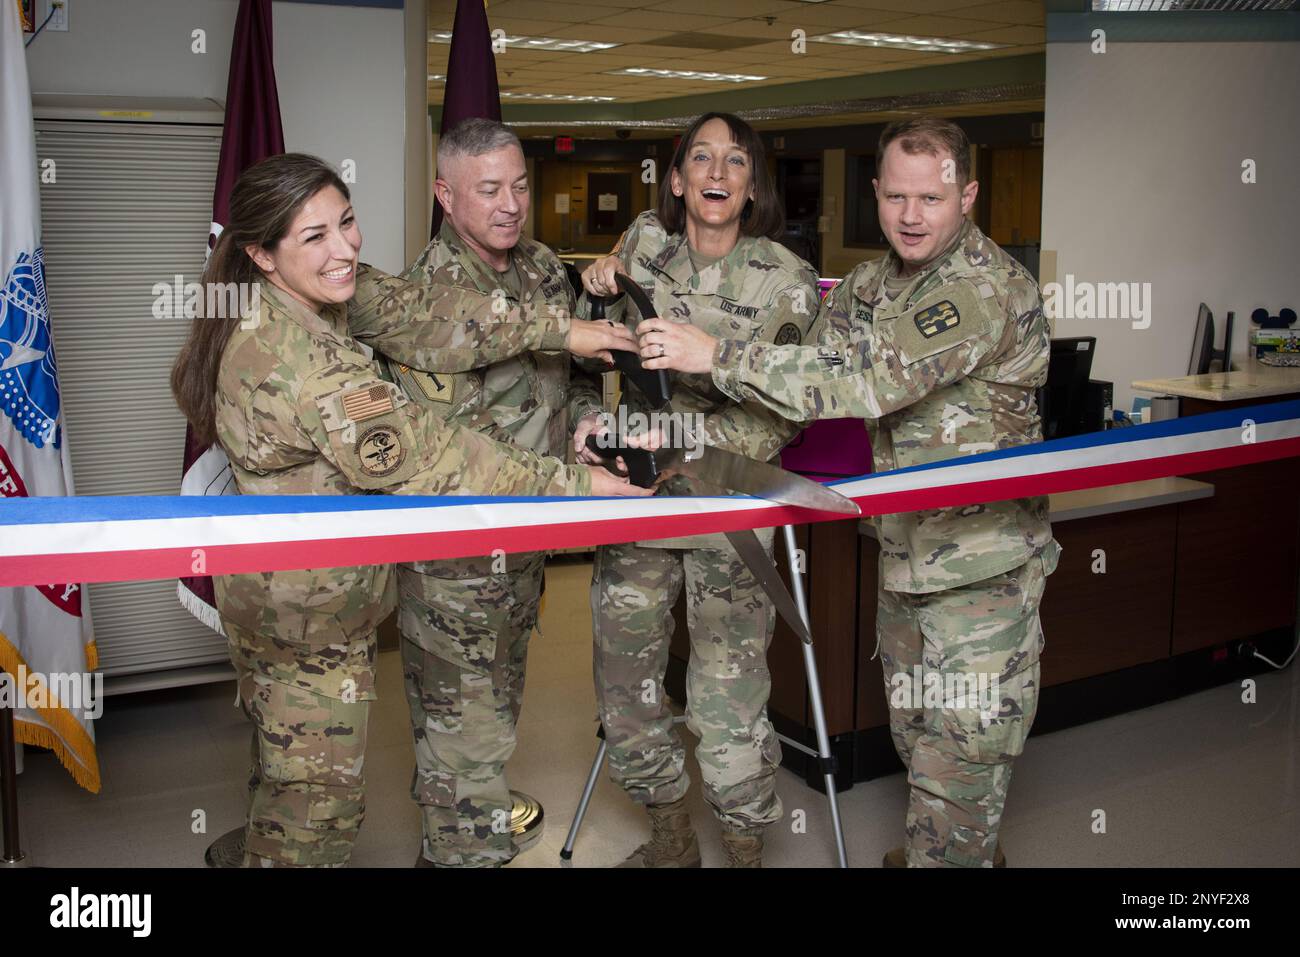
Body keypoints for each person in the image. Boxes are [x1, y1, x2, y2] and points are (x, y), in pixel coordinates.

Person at [170, 152, 647, 868]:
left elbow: (424, 315)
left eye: (348, 222)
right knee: (317, 813)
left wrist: (560, 330)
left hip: (302, 600)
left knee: (285, 774)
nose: (345, 249)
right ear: (262, 255)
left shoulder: (296, 298)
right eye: (315, 237)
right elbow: (431, 456)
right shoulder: (304, 364)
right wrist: (579, 487)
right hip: (306, 617)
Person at [638, 116, 1059, 868]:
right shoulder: (868, 284)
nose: (910, 215)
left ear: (966, 194)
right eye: (895, 196)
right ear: (875, 193)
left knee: (964, 757)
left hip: (982, 571)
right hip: (906, 556)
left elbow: (865, 381)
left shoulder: (981, 287)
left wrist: (716, 353)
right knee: (918, 739)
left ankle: (951, 854)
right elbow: (804, 373)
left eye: (930, 198)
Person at [351, 117, 609, 868]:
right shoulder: (425, 305)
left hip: (524, 553)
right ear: (444, 193)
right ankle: (461, 847)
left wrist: (587, 423)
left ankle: (456, 832)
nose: (510, 205)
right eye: (489, 189)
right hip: (456, 564)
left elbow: (579, 372)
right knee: (465, 731)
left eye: (520, 185)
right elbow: (450, 459)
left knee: (487, 721)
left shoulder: (541, 271)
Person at [578, 113, 819, 868]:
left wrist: (704, 381)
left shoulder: (786, 277)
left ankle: (743, 847)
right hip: (638, 504)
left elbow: (788, 409)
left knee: (728, 696)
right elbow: (598, 343)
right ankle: (672, 836)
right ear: (675, 178)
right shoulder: (644, 247)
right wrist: (595, 286)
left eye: (737, 161)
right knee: (625, 686)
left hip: (728, 509)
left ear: (751, 186)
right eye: (702, 158)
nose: (718, 173)